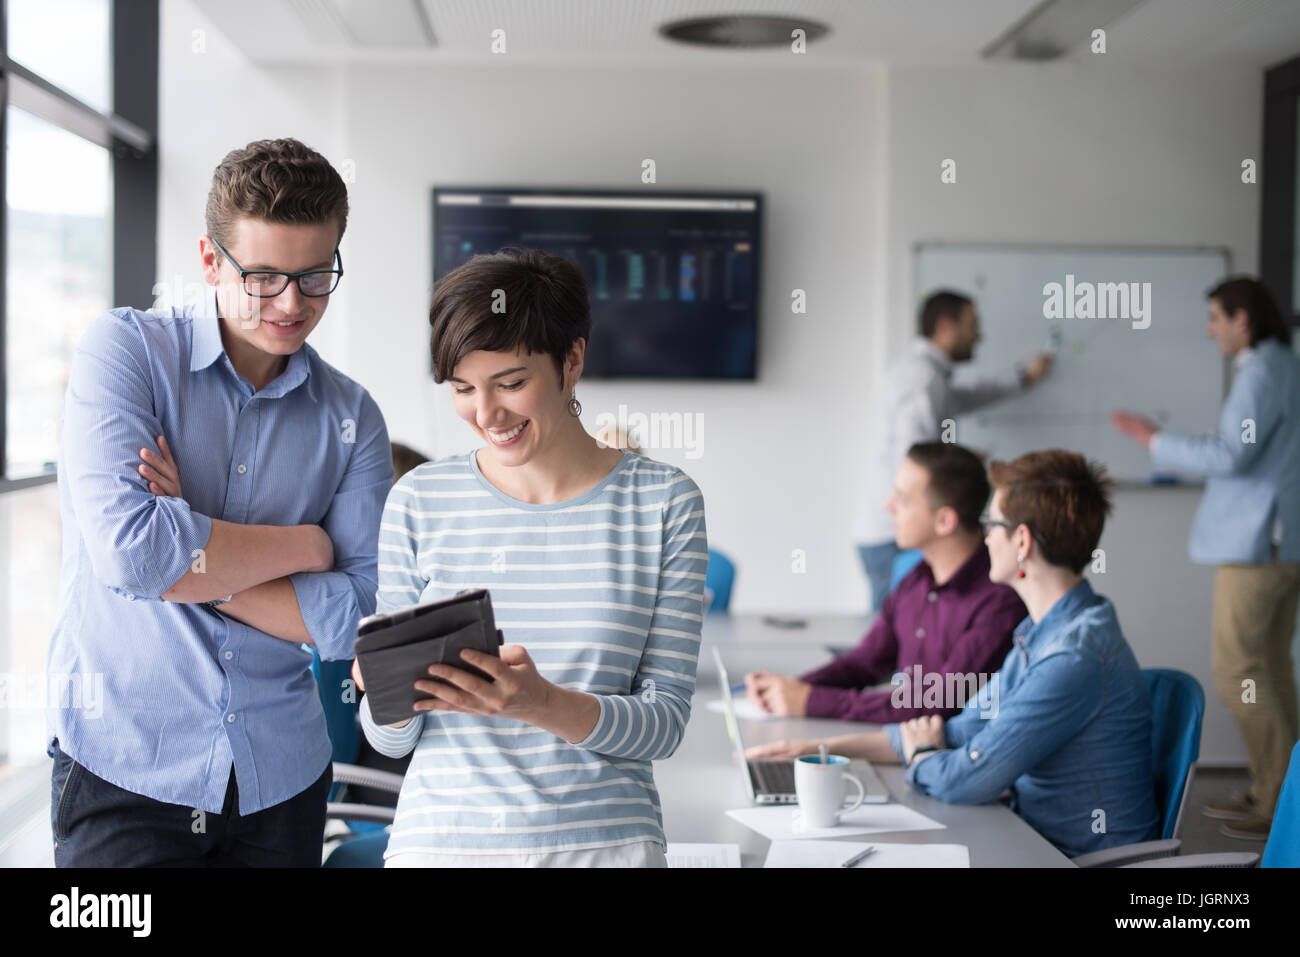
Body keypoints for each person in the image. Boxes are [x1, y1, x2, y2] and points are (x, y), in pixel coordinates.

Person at [46, 138, 393, 866]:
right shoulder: (126, 352)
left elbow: (359, 615)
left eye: (314, 275)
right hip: (124, 768)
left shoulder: (353, 418)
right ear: (210, 261)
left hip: (283, 779)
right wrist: (307, 547)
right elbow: (134, 554)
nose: (292, 304)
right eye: (263, 276)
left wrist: (194, 554)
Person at [354, 247, 707, 867]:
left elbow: (664, 724)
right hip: (444, 845)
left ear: (572, 360)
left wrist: (539, 703)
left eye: (511, 383)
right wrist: (383, 690)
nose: (485, 414)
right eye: (463, 389)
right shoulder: (418, 499)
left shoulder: (663, 503)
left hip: (602, 847)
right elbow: (389, 740)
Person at [751, 450, 1160, 859]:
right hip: (1030, 839)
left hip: (1076, 859)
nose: (983, 537)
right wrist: (821, 751)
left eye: (991, 524)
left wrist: (923, 753)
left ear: (1021, 541)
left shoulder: (1072, 656)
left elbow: (966, 778)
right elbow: (960, 730)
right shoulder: (1040, 633)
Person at [1113, 276, 1300, 842]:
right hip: (1280, 543)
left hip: (1257, 547)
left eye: (1216, 317)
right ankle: (1280, 792)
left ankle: (1276, 801)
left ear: (1243, 318)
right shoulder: (1282, 366)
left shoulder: (1263, 371)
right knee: (1270, 669)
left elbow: (1230, 454)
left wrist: (1154, 440)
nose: (1209, 328)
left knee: (1239, 671)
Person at [745, 442, 1024, 722]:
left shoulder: (1000, 601)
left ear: (944, 521)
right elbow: (866, 661)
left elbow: (935, 702)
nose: (887, 505)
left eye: (902, 499)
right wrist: (793, 688)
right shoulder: (917, 578)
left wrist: (811, 701)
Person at [854, 290, 1052, 611]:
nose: (979, 335)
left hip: (891, 532)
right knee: (893, 648)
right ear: (945, 326)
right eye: (972, 324)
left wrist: (1023, 379)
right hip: (895, 536)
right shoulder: (923, 379)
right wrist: (966, 462)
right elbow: (915, 461)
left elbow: (967, 398)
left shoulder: (928, 376)